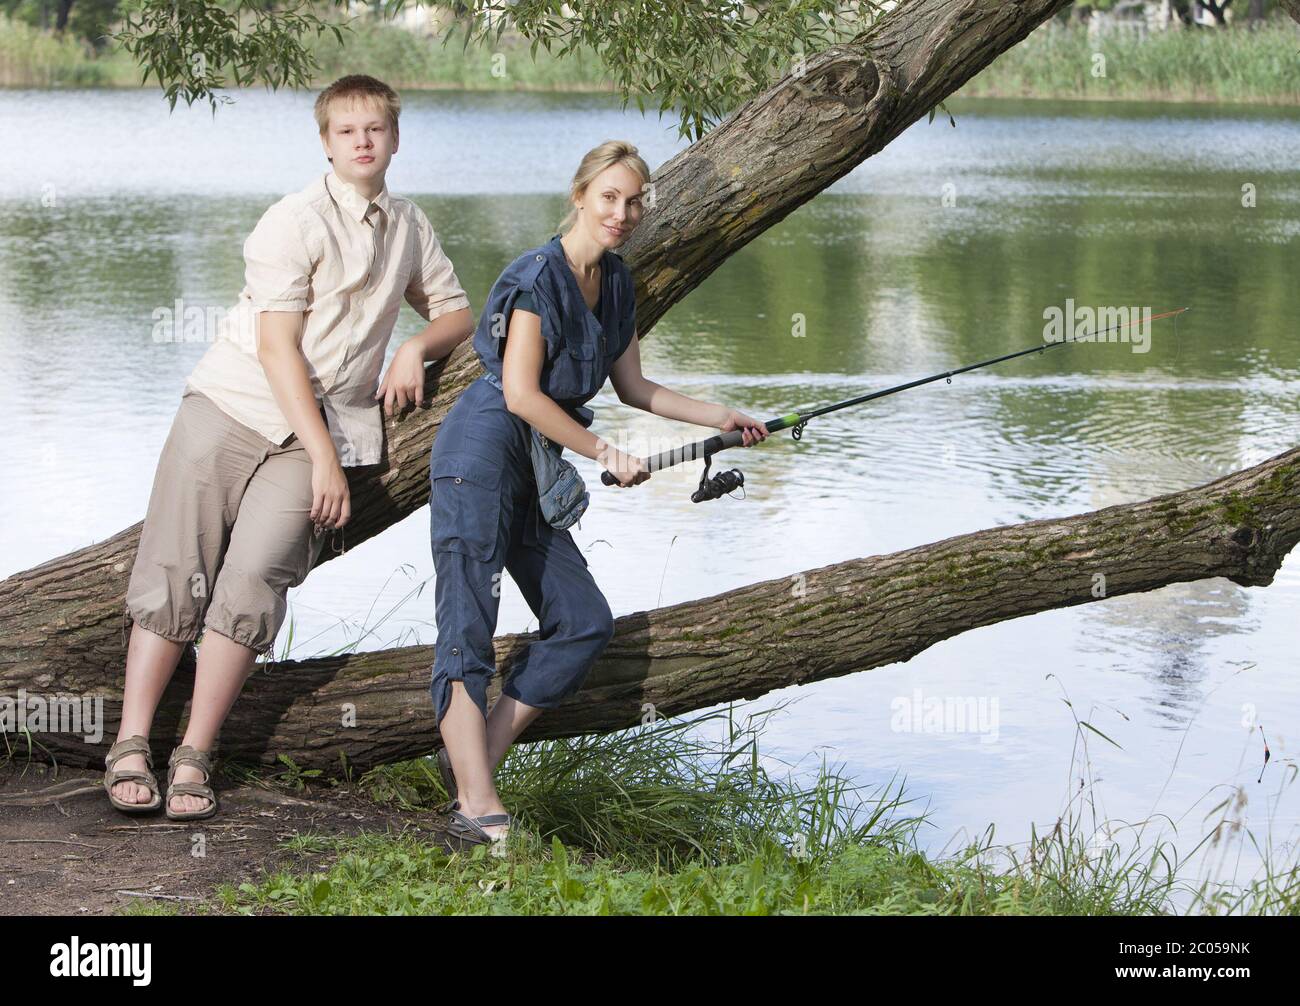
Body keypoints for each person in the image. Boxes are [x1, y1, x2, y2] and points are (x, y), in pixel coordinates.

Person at [105, 75, 474, 820]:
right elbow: (277, 352)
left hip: (320, 428)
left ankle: (193, 756)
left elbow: (458, 312)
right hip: (233, 409)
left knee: (252, 583)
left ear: (395, 139)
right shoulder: (292, 220)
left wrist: (414, 348)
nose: (363, 141)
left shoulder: (408, 226)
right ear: (326, 143)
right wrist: (329, 459)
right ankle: (130, 742)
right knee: (176, 570)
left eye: (375, 129)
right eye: (347, 131)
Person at [428, 140, 769, 846]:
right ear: (580, 196)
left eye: (634, 200)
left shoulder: (615, 284)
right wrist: (605, 452)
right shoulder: (534, 276)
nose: (622, 212)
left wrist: (721, 417)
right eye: (609, 197)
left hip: (536, 470)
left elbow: (635, 387)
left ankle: (469, 769)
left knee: (583, 620)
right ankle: (477, 808)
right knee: (467, 628)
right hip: (481, 455)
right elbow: (520, 392)